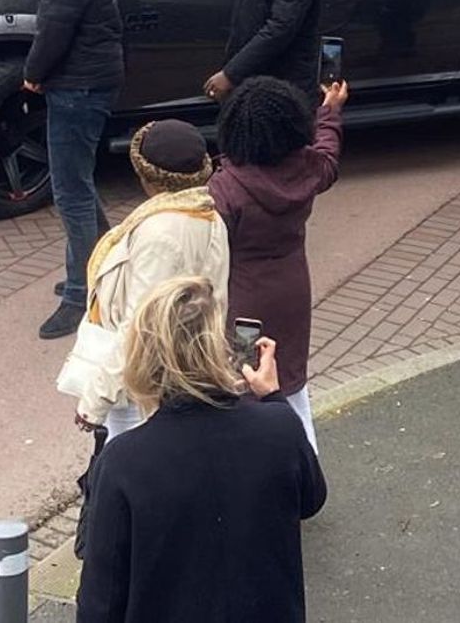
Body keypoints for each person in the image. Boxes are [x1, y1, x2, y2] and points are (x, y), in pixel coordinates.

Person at [76, 275, 326, 623]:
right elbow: (311, 499)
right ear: (218, 347)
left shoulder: (123, 462)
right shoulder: (278, 428)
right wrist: (273, 396)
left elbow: (101, 602)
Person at [210, 75, 347, 449]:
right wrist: (330, 112)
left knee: (244, 378)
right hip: (292, 291)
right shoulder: (309, 167)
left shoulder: (225, 189)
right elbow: (328, 152)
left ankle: (252, 468)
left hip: (243, 301)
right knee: (288, 376)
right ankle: (304, 461)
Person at [71, 121, 229, 437]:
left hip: (142, 392)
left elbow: (139, 326)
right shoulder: (207, 214)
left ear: (146, 177)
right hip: (182, 376)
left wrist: (96, 400)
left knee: (128, 471)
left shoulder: (160, 233)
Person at [24, 0, 124, 339]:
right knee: (79, 184)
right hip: (96, 79)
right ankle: (100, 268)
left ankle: (81, 294)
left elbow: (52, 34)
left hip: (76, 86)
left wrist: (33, 73)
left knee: (71, 192)